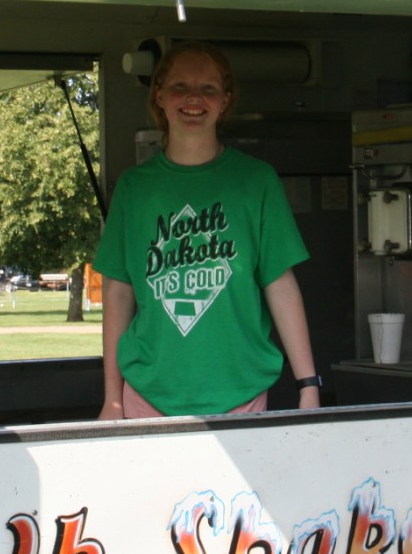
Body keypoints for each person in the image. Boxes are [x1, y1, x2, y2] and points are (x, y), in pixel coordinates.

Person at [96, 41, 321, 418]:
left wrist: (308, 387)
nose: (194, 98)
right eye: (180, 86)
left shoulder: (256, 181)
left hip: (239, 392)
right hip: (148, 393)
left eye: (209, 88)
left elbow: (280, 285)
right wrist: (113, 399)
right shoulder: (134, 188)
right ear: (160, 96)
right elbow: (118, 293)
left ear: (226, 99)